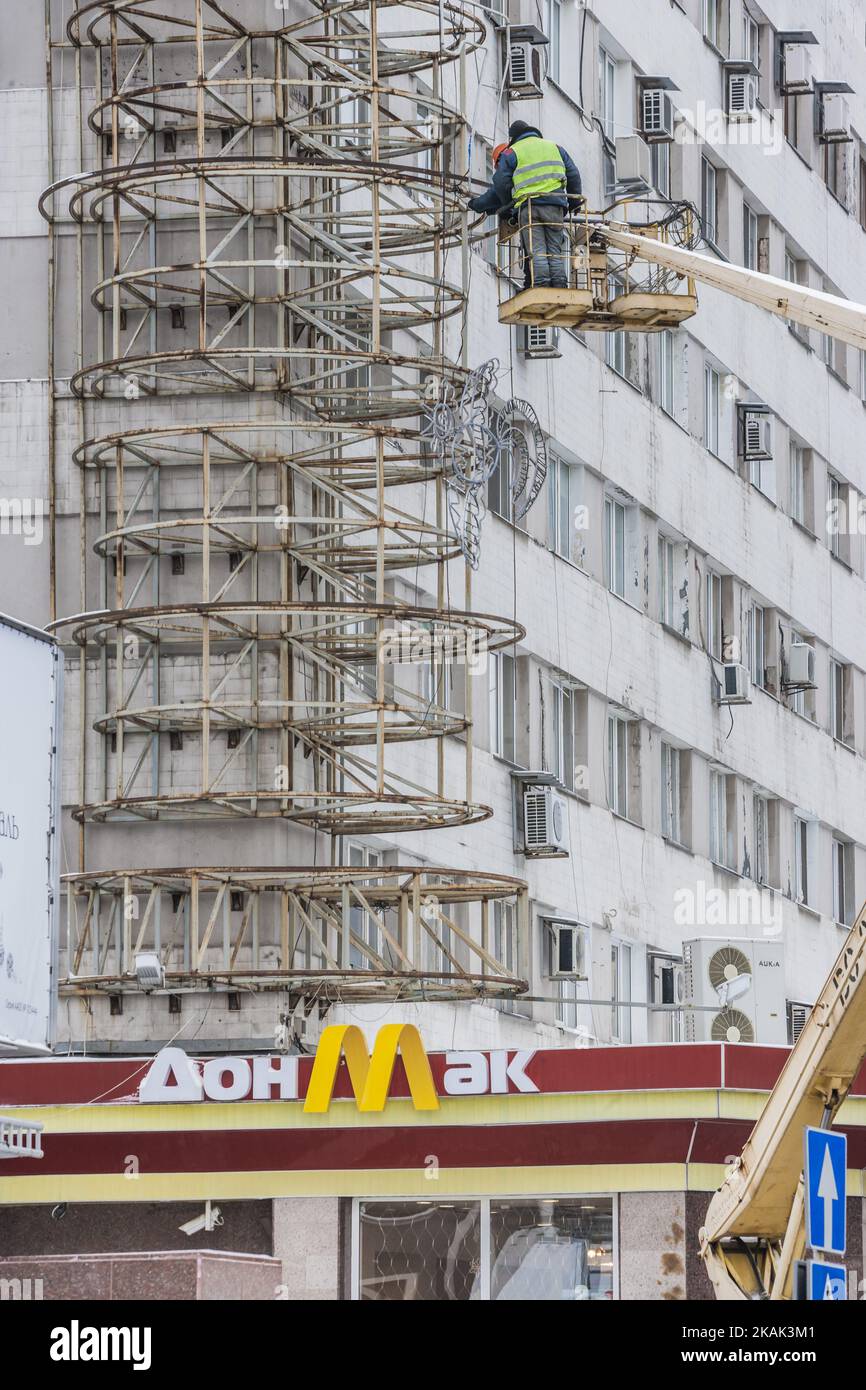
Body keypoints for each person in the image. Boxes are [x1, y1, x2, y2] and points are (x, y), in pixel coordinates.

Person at [468, 120, 582, 290]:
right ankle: (559, 285)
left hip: (530, 207)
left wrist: (508, 205)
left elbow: (500, 183)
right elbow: (573, 174)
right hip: (555, 206)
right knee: (554, 251)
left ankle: (542, 286)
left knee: (537, 250)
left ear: (513, 138)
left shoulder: (512, 152)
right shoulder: (555, 148)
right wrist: (574, 202)